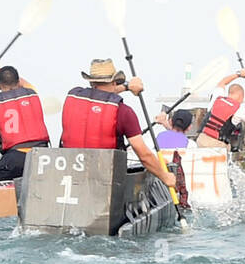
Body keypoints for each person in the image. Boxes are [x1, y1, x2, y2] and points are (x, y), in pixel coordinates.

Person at [57, 58, 176, 188]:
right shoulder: (124, 112)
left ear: (91, 82)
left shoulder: (73, 96)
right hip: (105, 181)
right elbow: (144, 155)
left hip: (70, 176)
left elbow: (100, 94)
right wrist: (166, 177)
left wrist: (127, 87)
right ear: (114, 82)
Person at [197, 69, 245, 149]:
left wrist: (238, 74)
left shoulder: (217, 97)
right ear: (241, 96)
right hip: (217, 145)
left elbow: (222, 82)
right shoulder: (240, 109)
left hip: (201, 139)